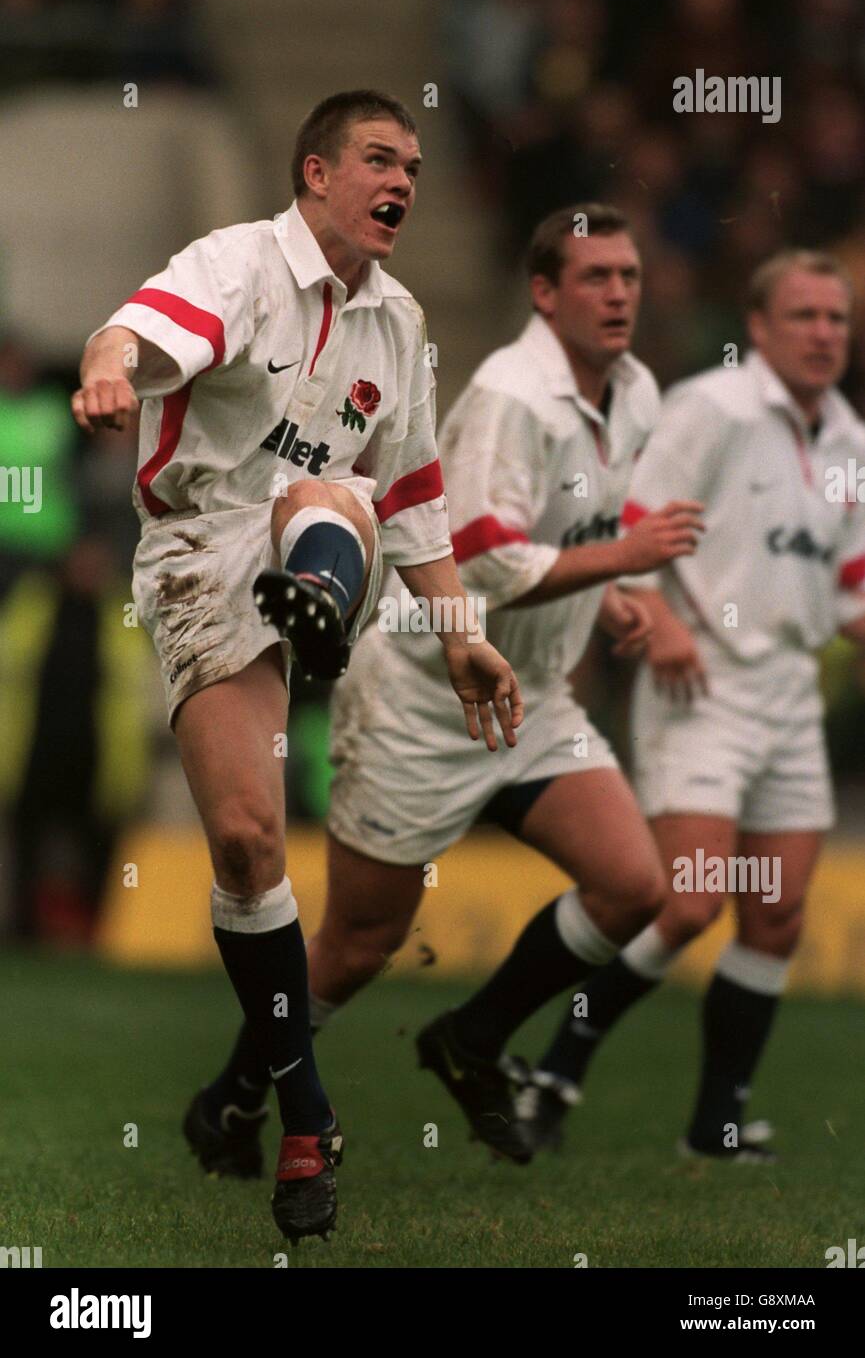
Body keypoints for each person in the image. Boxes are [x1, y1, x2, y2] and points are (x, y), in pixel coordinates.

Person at [71, 90, 523, 1243]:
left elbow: (414, 489)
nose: (404, 184)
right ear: (314, 172)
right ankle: (297, 1113)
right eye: (380, 159)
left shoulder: (401, 321)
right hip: (191, 548)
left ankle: (317, 598)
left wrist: (460, 629)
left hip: (313, 530)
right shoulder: (235, 263)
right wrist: (110, 373)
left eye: (415, 166)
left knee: (329, 493)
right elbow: (127, 328)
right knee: (245, 845)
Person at [200, 202, 704, 1165]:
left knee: (633, 885)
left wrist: (620, 588)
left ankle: (470, 1039)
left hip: (528, 695)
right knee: (357, 943)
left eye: (629, 277)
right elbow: (477, 557)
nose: (618, 295)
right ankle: (234, 1092)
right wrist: (622, 562)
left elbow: (589, 534)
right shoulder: (514, 393)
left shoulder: (634, 389)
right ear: (544, 293)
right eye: (595, 278)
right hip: (424, 696)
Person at [517, 249, 865, 1162]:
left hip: (789, 690)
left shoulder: (848, 442)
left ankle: (715, 1123)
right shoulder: (711, 409)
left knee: (778, 914)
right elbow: (624, 520)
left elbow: (848, 581)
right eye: (804, 316)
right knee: (689, 904)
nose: (824, 333)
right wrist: (659, 618)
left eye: (836, 318)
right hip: (697, 676)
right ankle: (554, 1066)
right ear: (757, 327)